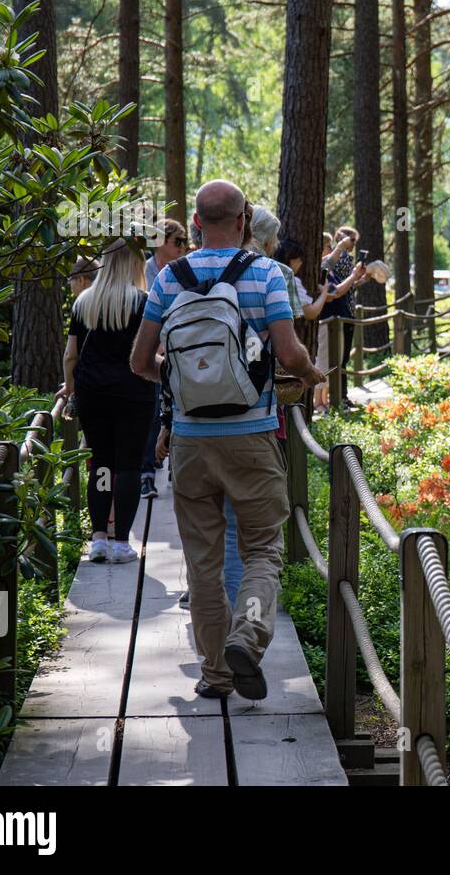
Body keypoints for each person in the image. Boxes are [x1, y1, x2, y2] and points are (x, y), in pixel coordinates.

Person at [131, 179, 326, 701]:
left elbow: (138, 361)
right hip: (252, 436)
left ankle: (215, 675)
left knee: (203, 565)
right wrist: (311, 375)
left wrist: (178, 384)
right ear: (243, 222)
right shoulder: (264, 273)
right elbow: (288, 354)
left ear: (195, 224)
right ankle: (249, 635)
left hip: (191, 442)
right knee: (263, 550)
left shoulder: (170, 278)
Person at [58, 239, 155, 564]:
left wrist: (70, 389)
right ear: (134, 265)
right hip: (133, 391)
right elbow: (153, 351)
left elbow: (71, 354)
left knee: (100, 461)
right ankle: (121, 543)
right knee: (128, 465)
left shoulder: (84, 302)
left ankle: (98, 537)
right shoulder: (142, 302)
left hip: (92, 392)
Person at [140, 220, 188, 499]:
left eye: (184, 241)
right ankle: (148, 473)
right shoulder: (145, 271)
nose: (183, 247)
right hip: (151, 352)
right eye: (177, 241)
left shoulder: (184, 271)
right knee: (154, 414)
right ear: (160, 241)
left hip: (178, 349)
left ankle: (175, 467)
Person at [318, 226, 369, 411]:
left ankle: (335, 397)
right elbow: (336, 291)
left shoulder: (336, 262)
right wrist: (355, 274)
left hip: (342, 313)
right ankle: (331, 399)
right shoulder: (340, 259)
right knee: (332, 359)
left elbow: (345, 286)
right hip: (333, 317)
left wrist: (358, 279)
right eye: (352, 241)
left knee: (340, 358)